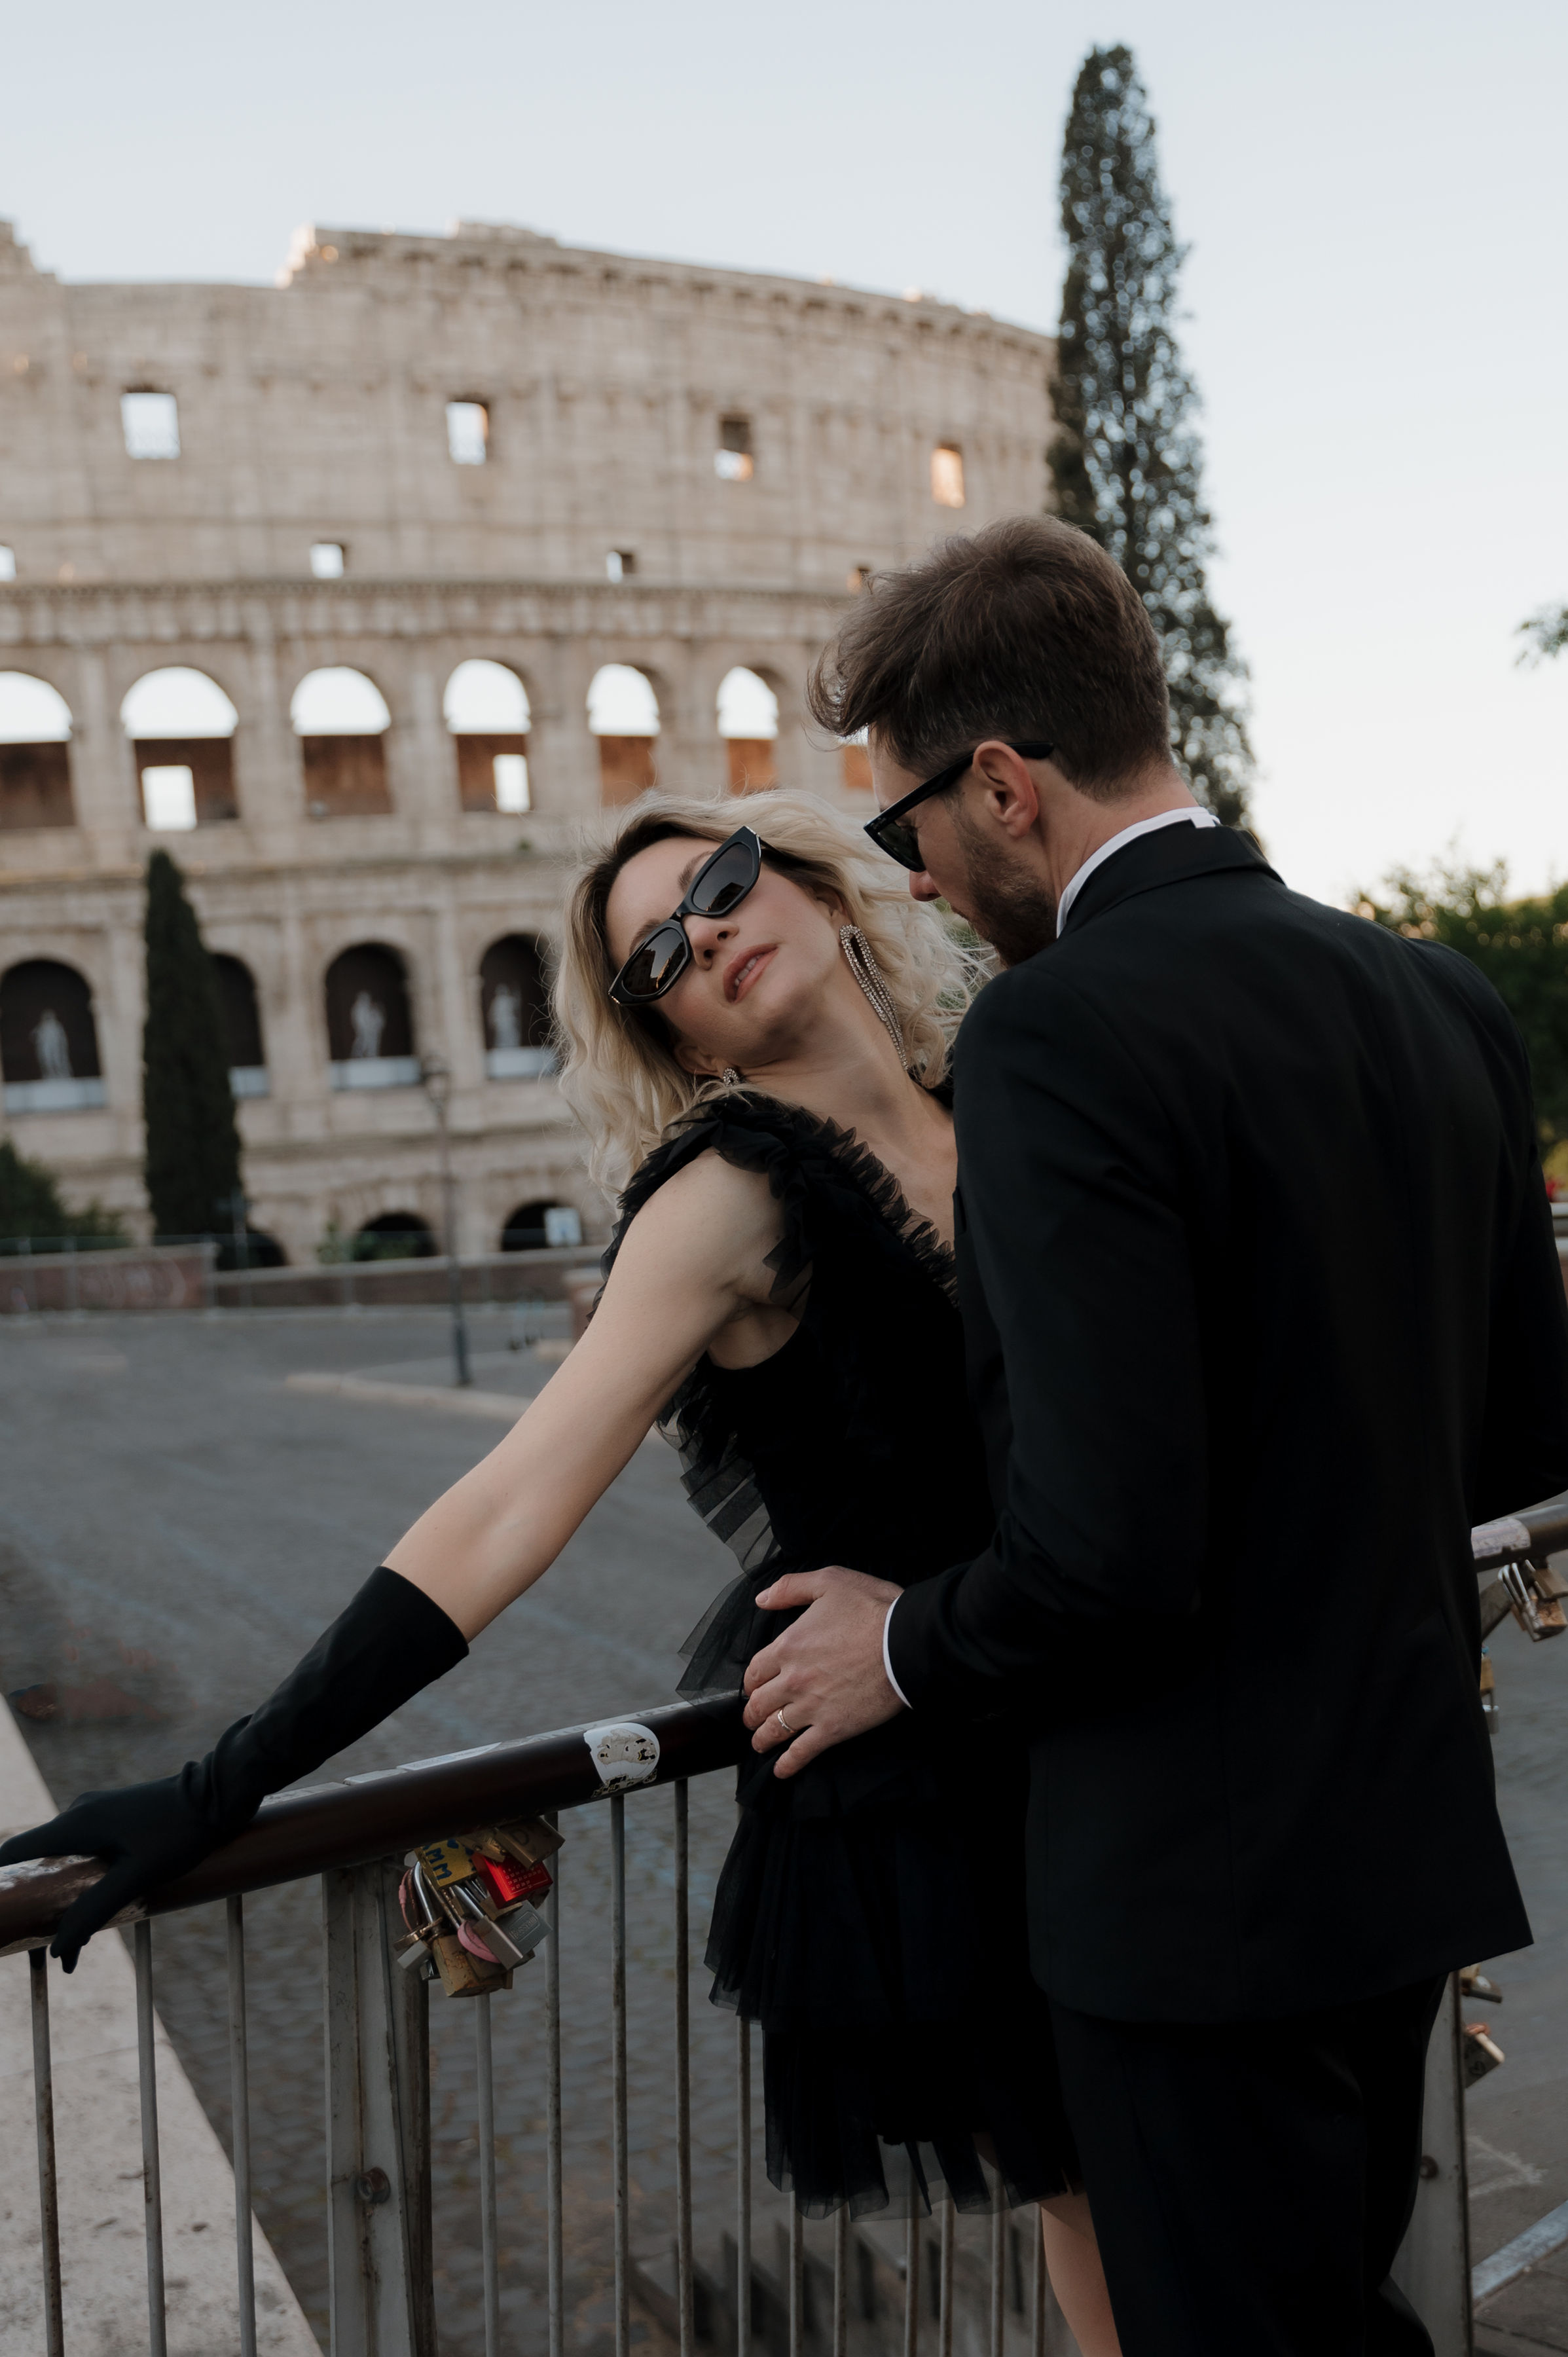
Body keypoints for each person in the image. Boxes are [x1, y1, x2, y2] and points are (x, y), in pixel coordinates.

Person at [0, 788, 1121, 2355]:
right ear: (671, 1037)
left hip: (1107, 1713)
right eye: (657, 952)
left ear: (820, 884)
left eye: (722, 883)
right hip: (943, 1797)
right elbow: (508, 1508)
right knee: (1117, 2224)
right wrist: (219, 1784)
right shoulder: (730, 1195)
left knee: (1206, 2206)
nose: (707, 931)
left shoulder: (998, 1092)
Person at [737, 516, 1568, 2355]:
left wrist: (893, 1641)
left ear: (1005, 786)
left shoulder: (1053, 1034)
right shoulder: (1432, 994)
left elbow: (1105, 1550)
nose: (923, 881)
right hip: (1395, 1853)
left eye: (910, 830)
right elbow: (1514, 1441)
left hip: (1189, 1911)